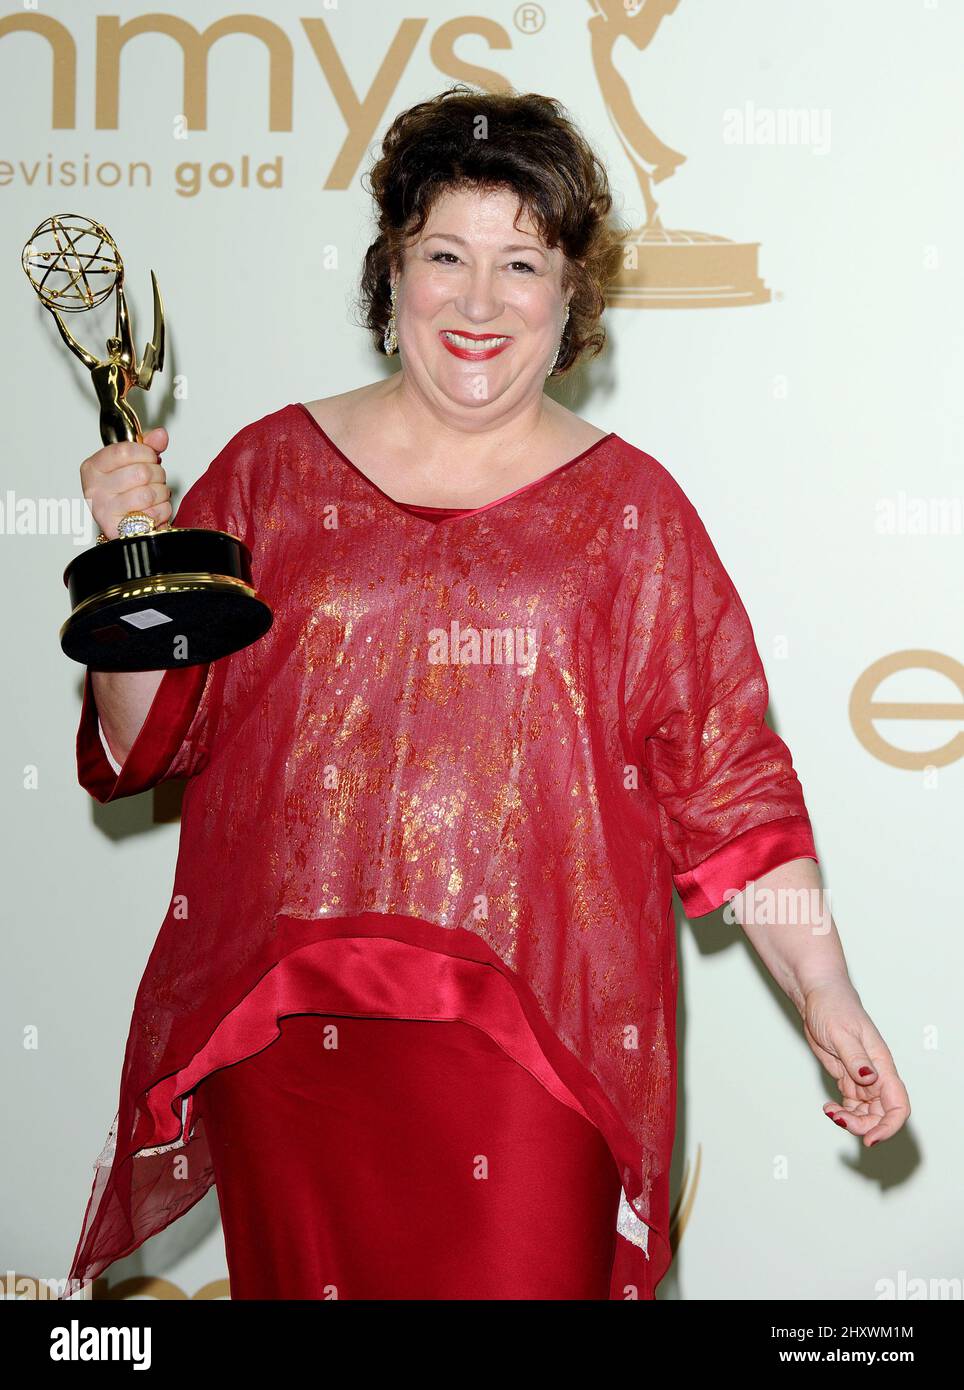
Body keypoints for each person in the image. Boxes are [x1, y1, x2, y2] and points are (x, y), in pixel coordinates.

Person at [62, 85, 910, 1303]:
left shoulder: (633, 516)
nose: (478, 300)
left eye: (522, 263)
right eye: (444, 254)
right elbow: (143, 741)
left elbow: (730, 787)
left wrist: (825, 992)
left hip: (538, 1050)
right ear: (389, 274)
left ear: (570, 298)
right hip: (292, 1044)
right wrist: (127, 568)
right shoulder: (266, 472)